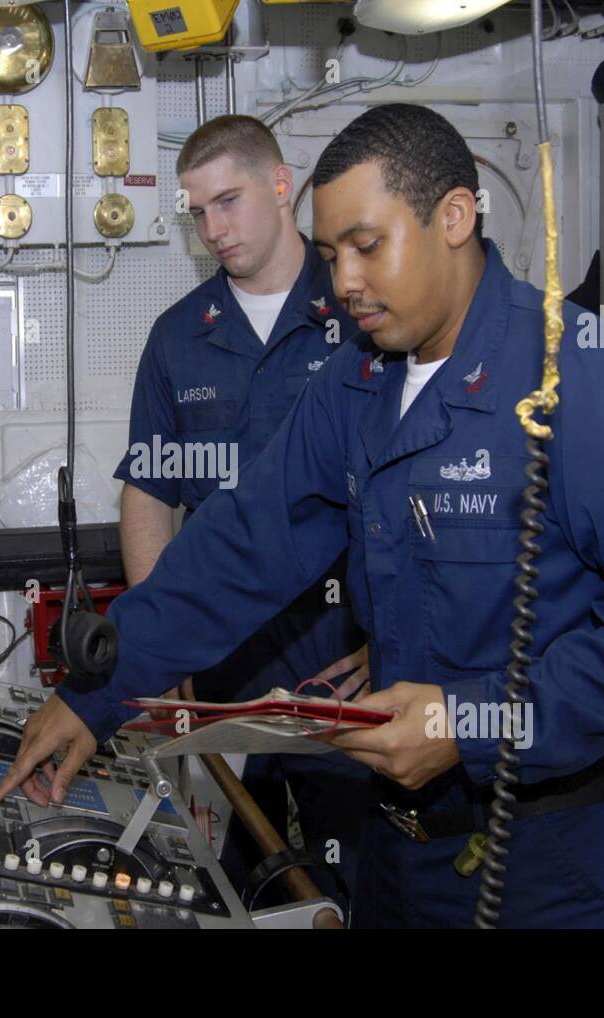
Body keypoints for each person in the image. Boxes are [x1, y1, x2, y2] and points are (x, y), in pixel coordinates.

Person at [0, 103, 604, 928]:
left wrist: (472, 721)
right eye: (328, 254)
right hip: (397, 857)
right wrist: (99, 690)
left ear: (454, 216)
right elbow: (242, 545)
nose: (343, 281)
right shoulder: (356, 382)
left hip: (551, 866)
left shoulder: (578, 376)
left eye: (366, 246)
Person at [115, 114, 371, 905]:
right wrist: (167, 646)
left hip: (346, 664)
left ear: (282, 183)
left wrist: (399, 646)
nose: (212, 230)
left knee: (355, 881)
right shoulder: (178, 339)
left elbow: (413, 491)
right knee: (220, 881)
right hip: (225, 666)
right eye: (196, 213)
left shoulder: (366, 313)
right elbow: (150, 494)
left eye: (227, 201)